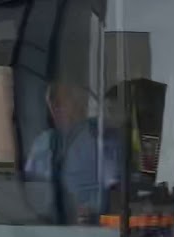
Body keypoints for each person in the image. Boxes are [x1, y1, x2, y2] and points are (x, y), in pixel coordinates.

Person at [24, 81, 123, 224]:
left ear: (81, 104)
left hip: (93, 222)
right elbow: (32, 186)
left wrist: (93, 212)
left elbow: (115, 189)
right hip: (52, 221)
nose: (58, 109)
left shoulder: (99, 136)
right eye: (54, 104)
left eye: (64, 103)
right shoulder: (44, 142)